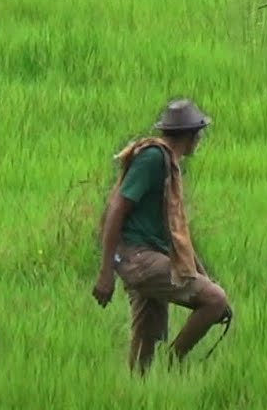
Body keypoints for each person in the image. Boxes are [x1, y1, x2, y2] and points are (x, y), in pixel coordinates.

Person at [92, 98, 231, 374]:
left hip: (148, 255)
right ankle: (173, 363)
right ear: (190, 135)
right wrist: (105, 272)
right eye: (199, 133)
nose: (200, 139)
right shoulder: (153, 159)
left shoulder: (167, 164)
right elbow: (117, 208)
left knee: (145, 343)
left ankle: (140, 390)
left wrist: (205, 279)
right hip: (138, 258)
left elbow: (178, 237)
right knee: (215, 299)